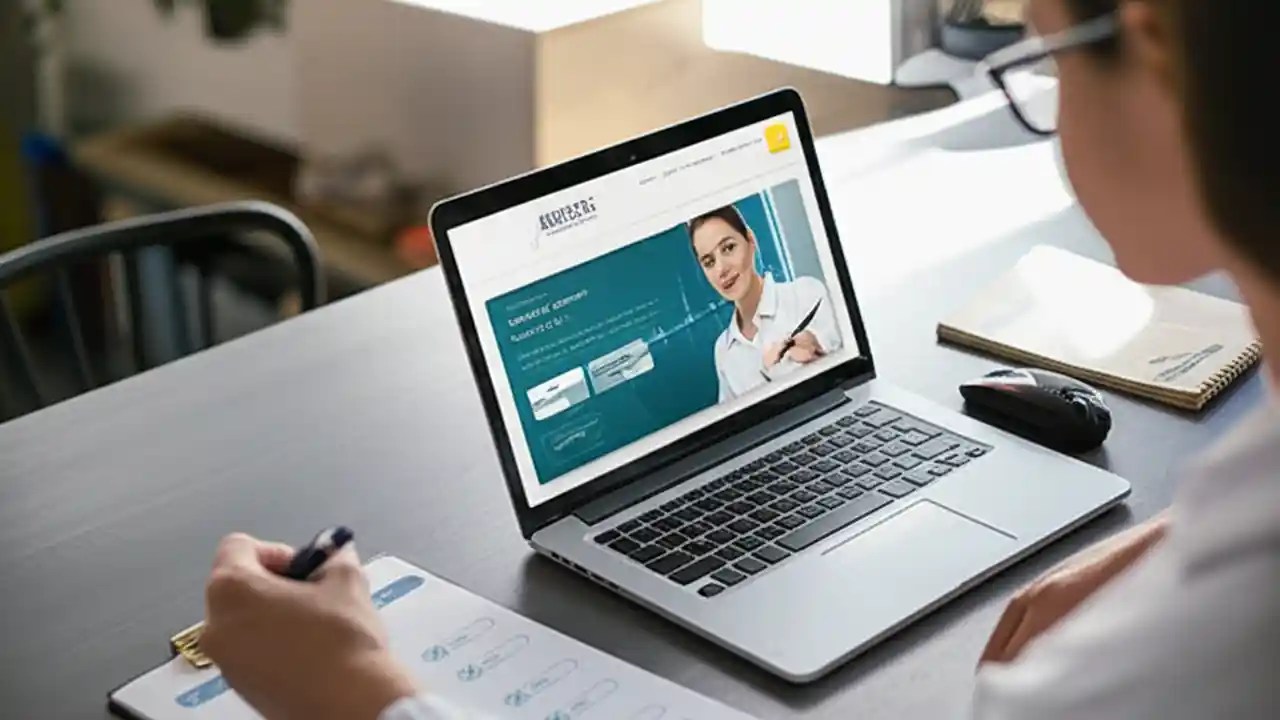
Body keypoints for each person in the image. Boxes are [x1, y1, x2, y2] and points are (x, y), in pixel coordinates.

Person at [200, 1, 1279, 718]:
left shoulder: (1137, 681)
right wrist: (1177, 540)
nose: (1039, 109)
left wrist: (359, 693)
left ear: (1157, 51)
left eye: (1034, 58)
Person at [686, 204, 842, 401]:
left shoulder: (807, 293)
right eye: (709, 262)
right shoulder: (723, 351)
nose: (721, 269)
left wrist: (819, 351)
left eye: (728, 248)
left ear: (750, 241)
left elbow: (849, 370)